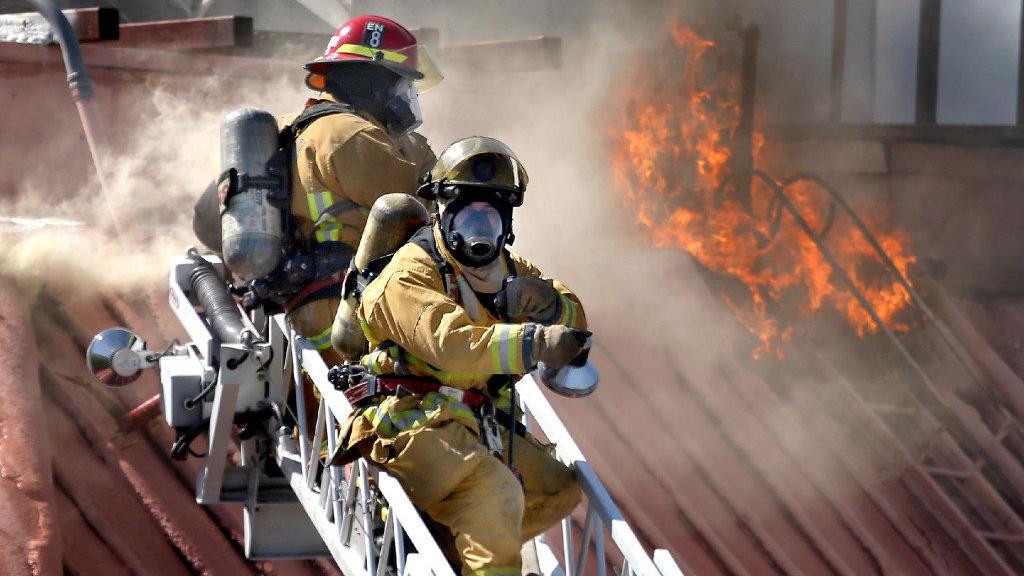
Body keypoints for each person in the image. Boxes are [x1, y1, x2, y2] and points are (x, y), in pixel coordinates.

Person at [334, 137, 589, 576]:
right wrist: (535, 342)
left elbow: (574, 316)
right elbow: (453, 347)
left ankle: (465, 549)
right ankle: (482, 552)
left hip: (478, 423)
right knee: (494, 495)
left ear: (506, 222)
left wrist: (551, 305)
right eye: (469, 214)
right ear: (443, 213)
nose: (479, 229)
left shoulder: (510, 268)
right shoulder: (409, 273)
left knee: (559, 489)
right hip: (412, 423)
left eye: (490, 216)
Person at [278, 14, 439, 364]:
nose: (405, 98)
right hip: (349, 310)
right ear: (372, 81)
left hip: (319, 306)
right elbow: (423, 215)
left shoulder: (312, 127)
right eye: (400, 86)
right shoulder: (354, 135)